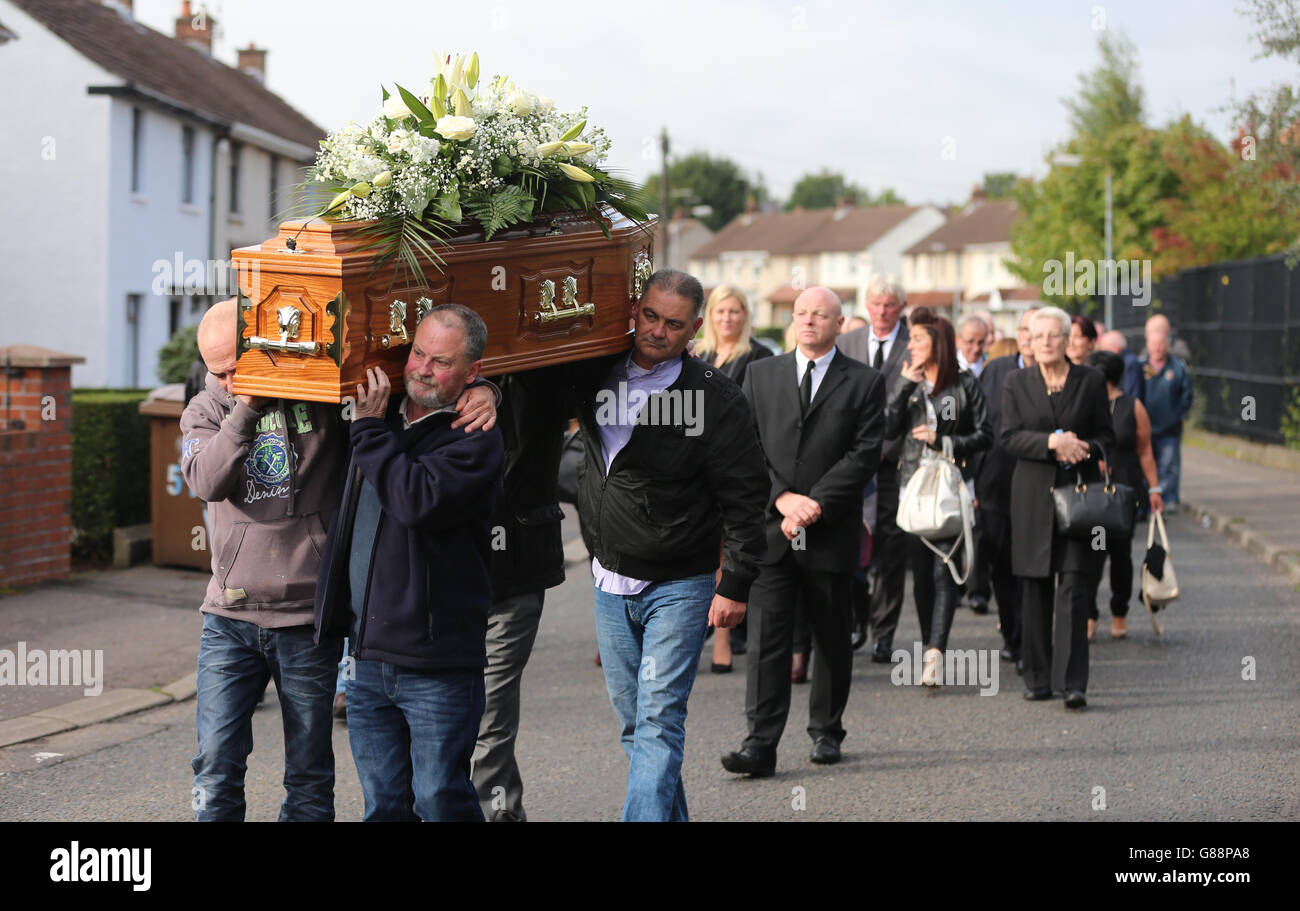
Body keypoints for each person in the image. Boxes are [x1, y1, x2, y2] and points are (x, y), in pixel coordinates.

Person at [574, 269, 768, 822]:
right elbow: (531, 388)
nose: (657, 331)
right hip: (608, 579)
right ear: (635, 309)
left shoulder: (714, 398)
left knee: (659, 719)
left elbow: (746, 494)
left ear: (695, 329)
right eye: (650, 316)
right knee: (635, 724)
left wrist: (735, 581)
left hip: (680, 583)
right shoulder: (594, 372)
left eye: (674, 324)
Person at [313, 304, 504, 822]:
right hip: (369, 660)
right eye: (418, 352)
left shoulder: (475, 437)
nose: (421, 368)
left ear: (472, 373)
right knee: (384, 808)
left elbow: (415, 500)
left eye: (441, 362)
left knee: (440, 800)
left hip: (438, 663)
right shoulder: (384, 408)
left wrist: (370, 430)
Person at [180, 299, 346, 821]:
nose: (228, 380)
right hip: (228, 618)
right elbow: (207, 481)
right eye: (217, 371)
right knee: (216, 766)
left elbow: (391, 375)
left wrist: (484, 389)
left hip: (307, 618)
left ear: (261, 349)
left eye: (237, 367)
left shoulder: (316, 388)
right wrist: (247, 407)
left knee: (309, 774)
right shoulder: (205, 409)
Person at [720, 287, 885, 775]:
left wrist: (814, 504)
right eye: (802, 314)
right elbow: (743, 446)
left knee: (831, 634)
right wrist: (783, 498)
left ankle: (827, 731)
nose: (809, 321)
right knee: (769, 640)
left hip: (830, 528)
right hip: (773, 531)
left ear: (839, 324)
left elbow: (865, 453)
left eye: (821, 315)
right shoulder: (760, 374)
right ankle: (760, 744)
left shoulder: (865, 381)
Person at [469, 364, 574, 821]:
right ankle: (501, 810)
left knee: (491, 708)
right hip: (448, 573)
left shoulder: (541, 375)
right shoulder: (438, 374)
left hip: (518, 568)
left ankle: (494, 814)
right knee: (450, 707)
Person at [1001, 307, 1115, 710]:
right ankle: (1036, 677)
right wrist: (1052, 443)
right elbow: (1009, 437)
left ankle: (1073, 682)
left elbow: (1106, 435)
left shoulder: (1091, 381)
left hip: (1077, 497)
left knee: (1074, 587)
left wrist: (1084, 447)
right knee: (1033, 587)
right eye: (1039, 335)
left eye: (1054, 335)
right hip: (1031, 496)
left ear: (1069, 340)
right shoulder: (1016, 382)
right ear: (1028, 341)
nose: (1046, 342)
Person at [886, 307, 991, 687]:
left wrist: (945, 440)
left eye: (917, 339)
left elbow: (986, 434)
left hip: (950, 486)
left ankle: (935, 653)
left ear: (937, 344)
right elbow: (885, 426)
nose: (910, 345)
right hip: (913, 486)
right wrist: (901, 386)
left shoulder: (963, 384)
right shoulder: (909, 383)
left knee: (942, 569)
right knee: (921, 577)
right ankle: (930, 639)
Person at [695, 285, 772, 672]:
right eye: (720, 311)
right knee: (703, 549)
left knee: (729, 546)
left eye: (734, 311)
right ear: (710, 316)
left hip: (737, 464)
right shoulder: (698, 354)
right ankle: (701, 625)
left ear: (745, 315)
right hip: (695, 467)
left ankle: (723, 638)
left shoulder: (759, 356)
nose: (727, 318)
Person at [837, 275, 911, 661]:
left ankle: (884, 634)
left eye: (890, 305)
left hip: (893, 467)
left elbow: (917, 407)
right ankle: (856, 621)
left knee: (890, 552)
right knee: (852, 550)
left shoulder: (914, 344)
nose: (882, 312)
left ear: (900, 307)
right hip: (851, 467)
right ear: (867, 306)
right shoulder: (847, 343)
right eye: (877, 304)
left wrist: (885, 448)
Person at [970, 308, 1038, 666]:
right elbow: (980, 425)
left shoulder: (1061, 373)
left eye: (1037, 330)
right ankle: (1012, 635)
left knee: (1035, 563)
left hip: (1041, 484)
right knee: (1001, 563)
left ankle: (1034, 639)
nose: (1029, 336)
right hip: (996, 482)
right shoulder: (996, 370)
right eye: (1024, 329)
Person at [1084, 350, 1164, 640]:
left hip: (1124, 494)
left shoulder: (1133, 407)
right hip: (1091, 493)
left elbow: (1145, 451)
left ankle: (1119, 612)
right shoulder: (1084, 407)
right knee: (1091, 556)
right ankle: (1090, 614)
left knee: (1120, 555)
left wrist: (1154, 489)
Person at [1141, 314, 1193, 513]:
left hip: (1170, 427)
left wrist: (1178, 415)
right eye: (1154, 344)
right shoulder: (1140, 366)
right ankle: (1147, 500)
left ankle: (1169, 499)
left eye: (1162, 343)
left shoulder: (1177, 368)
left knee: (1169, 463)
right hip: (1146, 427)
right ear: (1148, 343)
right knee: (1147, 463)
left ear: (1167, 343)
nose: (1158, 348)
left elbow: (1187, 395)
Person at [1096, 329, 1145, 403]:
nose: (1103, 355)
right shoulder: (1123, 362)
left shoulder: (1129, 363)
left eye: (1105, 350)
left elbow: (1132, 394)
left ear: (1115, 348)